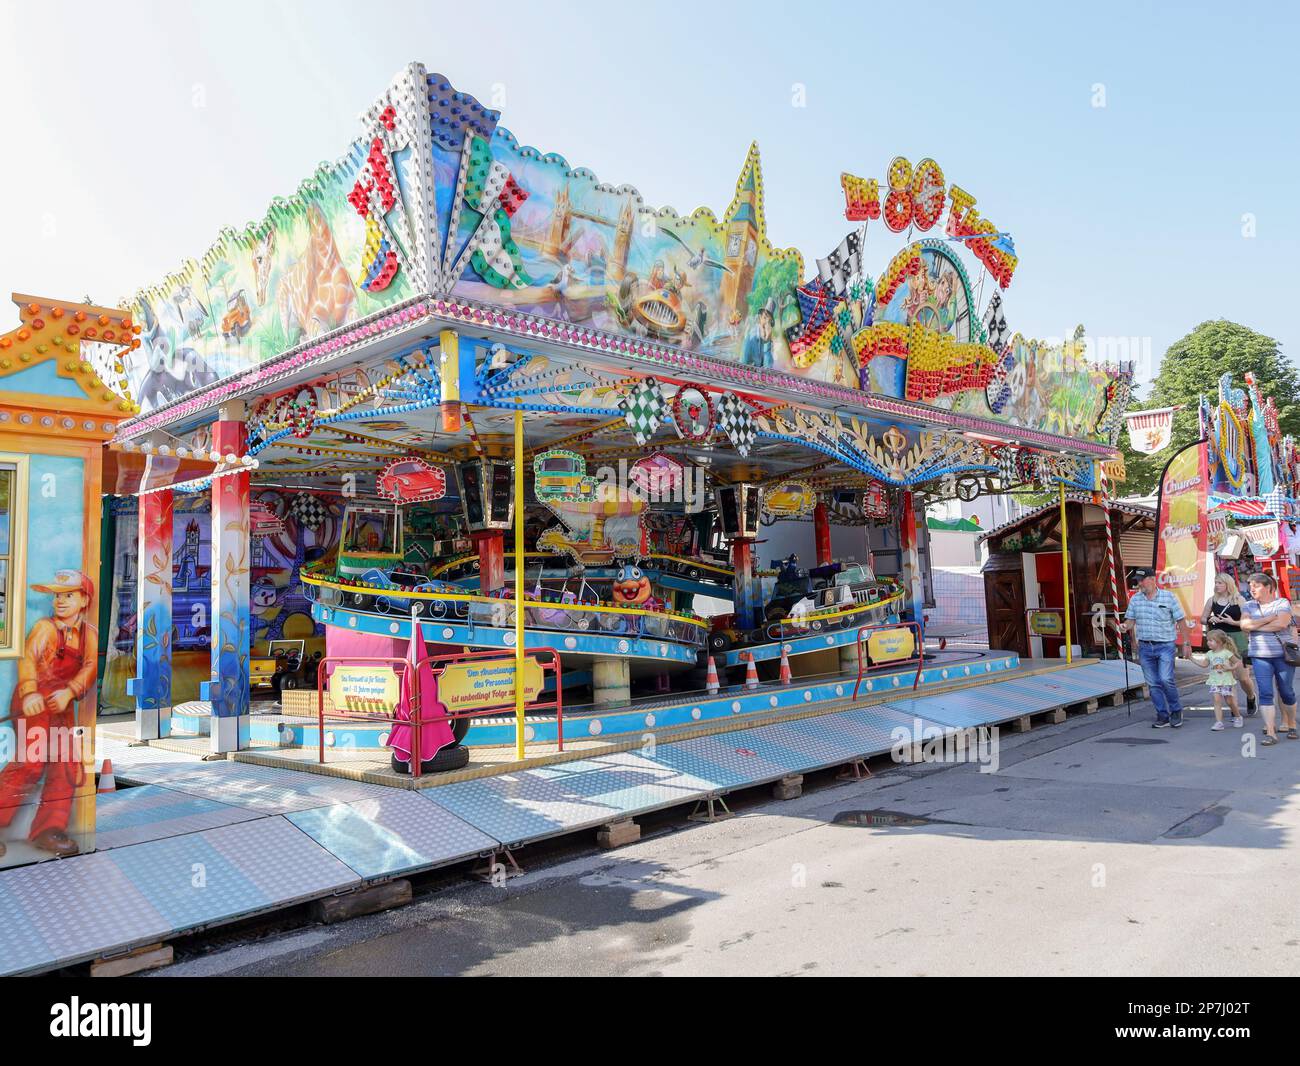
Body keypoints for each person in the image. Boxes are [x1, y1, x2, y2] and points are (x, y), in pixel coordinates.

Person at [0, 570, 98, 857]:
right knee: (30, 762)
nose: (60, 601)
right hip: (33, 705)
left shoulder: (89, 635)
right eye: (57, 595)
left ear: (84, 600)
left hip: (62, 706)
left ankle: (48, 829)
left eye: (68, 595)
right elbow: (28, 658)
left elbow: (90, 667)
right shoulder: (44, 628)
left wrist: (70, 692)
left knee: (66, 764)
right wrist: (30, 692)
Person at [1123, 567, 1194, 728]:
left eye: (1142, 580)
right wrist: (1124, 626)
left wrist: (1186, 643)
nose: (1139, 583)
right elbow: (1130, 621)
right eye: (1138, 581)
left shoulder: (1169, 597)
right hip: (1145, 646)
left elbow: (1181, 621)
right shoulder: (1135, 599)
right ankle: (1162, 714)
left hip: (1165, 645)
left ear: (1152, 579)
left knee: (1165, 679)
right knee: (1153, 683)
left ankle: (1176, 710)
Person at [1239, 572, 1297, 746]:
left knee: (1286, 691)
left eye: (1256, 585)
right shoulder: (1248, 605)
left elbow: (1282, 624)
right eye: (1250, 586)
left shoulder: (1282, 602)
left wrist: (1255, 627)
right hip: (1259, 655)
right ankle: (1271, 731)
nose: (1252, 589)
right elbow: (1244, 625)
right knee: (1265, 693)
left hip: (1282, 655)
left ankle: (1292, 724)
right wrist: (1268, 619)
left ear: (1269, 587)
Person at [1201, 573, 1258, 715]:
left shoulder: (1239, 600)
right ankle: (1235, 709)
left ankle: (1251, 697)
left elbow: (1249, 621)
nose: (1217, 585)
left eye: (1220, 583)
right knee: (1228, 677)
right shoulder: (1212, 600)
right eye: (1216, 582)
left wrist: (1232, 622)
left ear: (1228, 584)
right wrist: (1210, 619)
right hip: (1220, 641)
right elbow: (1202, 619)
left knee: (1243, 678)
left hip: (1238, 639)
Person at [1194, 629, 1243, 730]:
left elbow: (1238, 662)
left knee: (1229, 701)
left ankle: (1238, 717)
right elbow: (1204, 665)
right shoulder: (1209, 654)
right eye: (1208, 640)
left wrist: (1231, 668)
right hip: (1215, 681)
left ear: (1219, 642)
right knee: (1216, 700)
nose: (1208, 642)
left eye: (1211, 640)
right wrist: (1191, 658)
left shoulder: (1226, 653)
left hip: (1226, 681)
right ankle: (1219, 722)